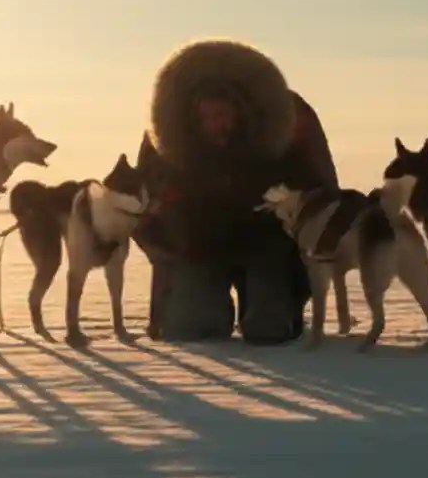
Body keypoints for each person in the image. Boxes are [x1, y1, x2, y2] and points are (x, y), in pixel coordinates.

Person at [132, 40, 339, 344]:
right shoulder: (168, 142)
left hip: (266, 247)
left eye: (220, 115)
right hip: (201, 248)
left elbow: (318, 193)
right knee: (191, 330)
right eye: (206, 117)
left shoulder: (287, 124)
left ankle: (276, 305)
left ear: (240, 111)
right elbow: (144, 204)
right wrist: (171, 248)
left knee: (269, 330)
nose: (213, 124)